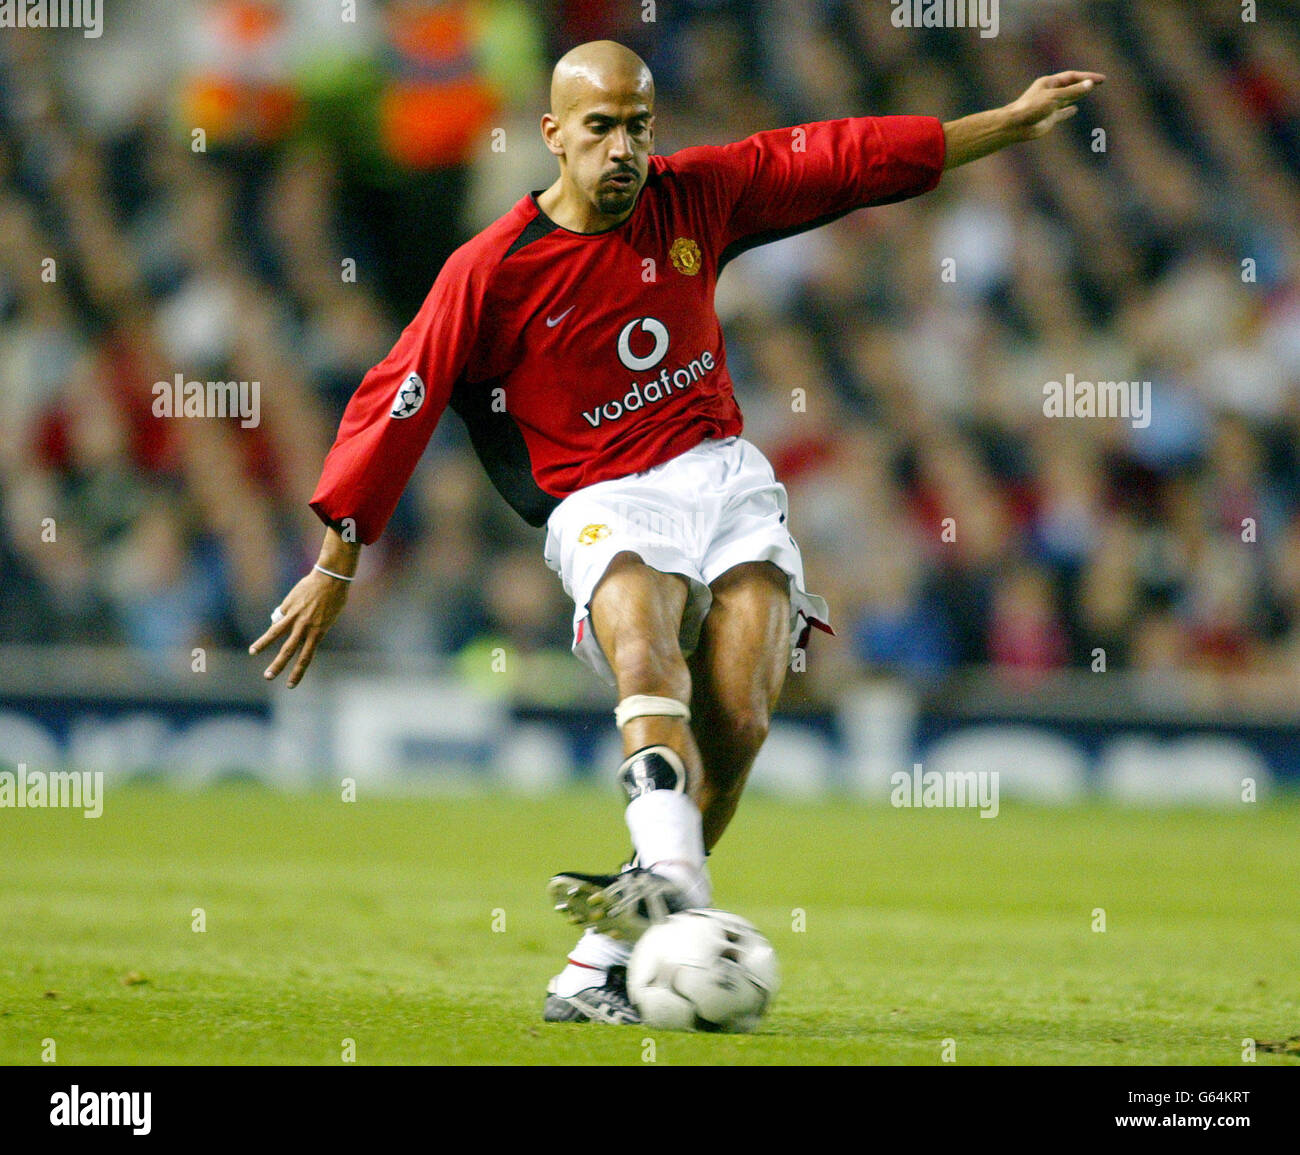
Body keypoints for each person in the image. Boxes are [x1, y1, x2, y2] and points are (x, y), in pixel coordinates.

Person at [250, 41, 1103, 1024]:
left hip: (722, 482)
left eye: (637, 126)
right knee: (648, 644)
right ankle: (670, 878)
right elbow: (397, 400)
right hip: (603, 497)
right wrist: (336, 559)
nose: (622, 148)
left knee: (734, 724)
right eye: (600, 127)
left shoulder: (693, 197)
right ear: (553, 135)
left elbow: (836, 157)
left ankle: (593, 965)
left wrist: (1001, 122)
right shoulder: (489, 270)